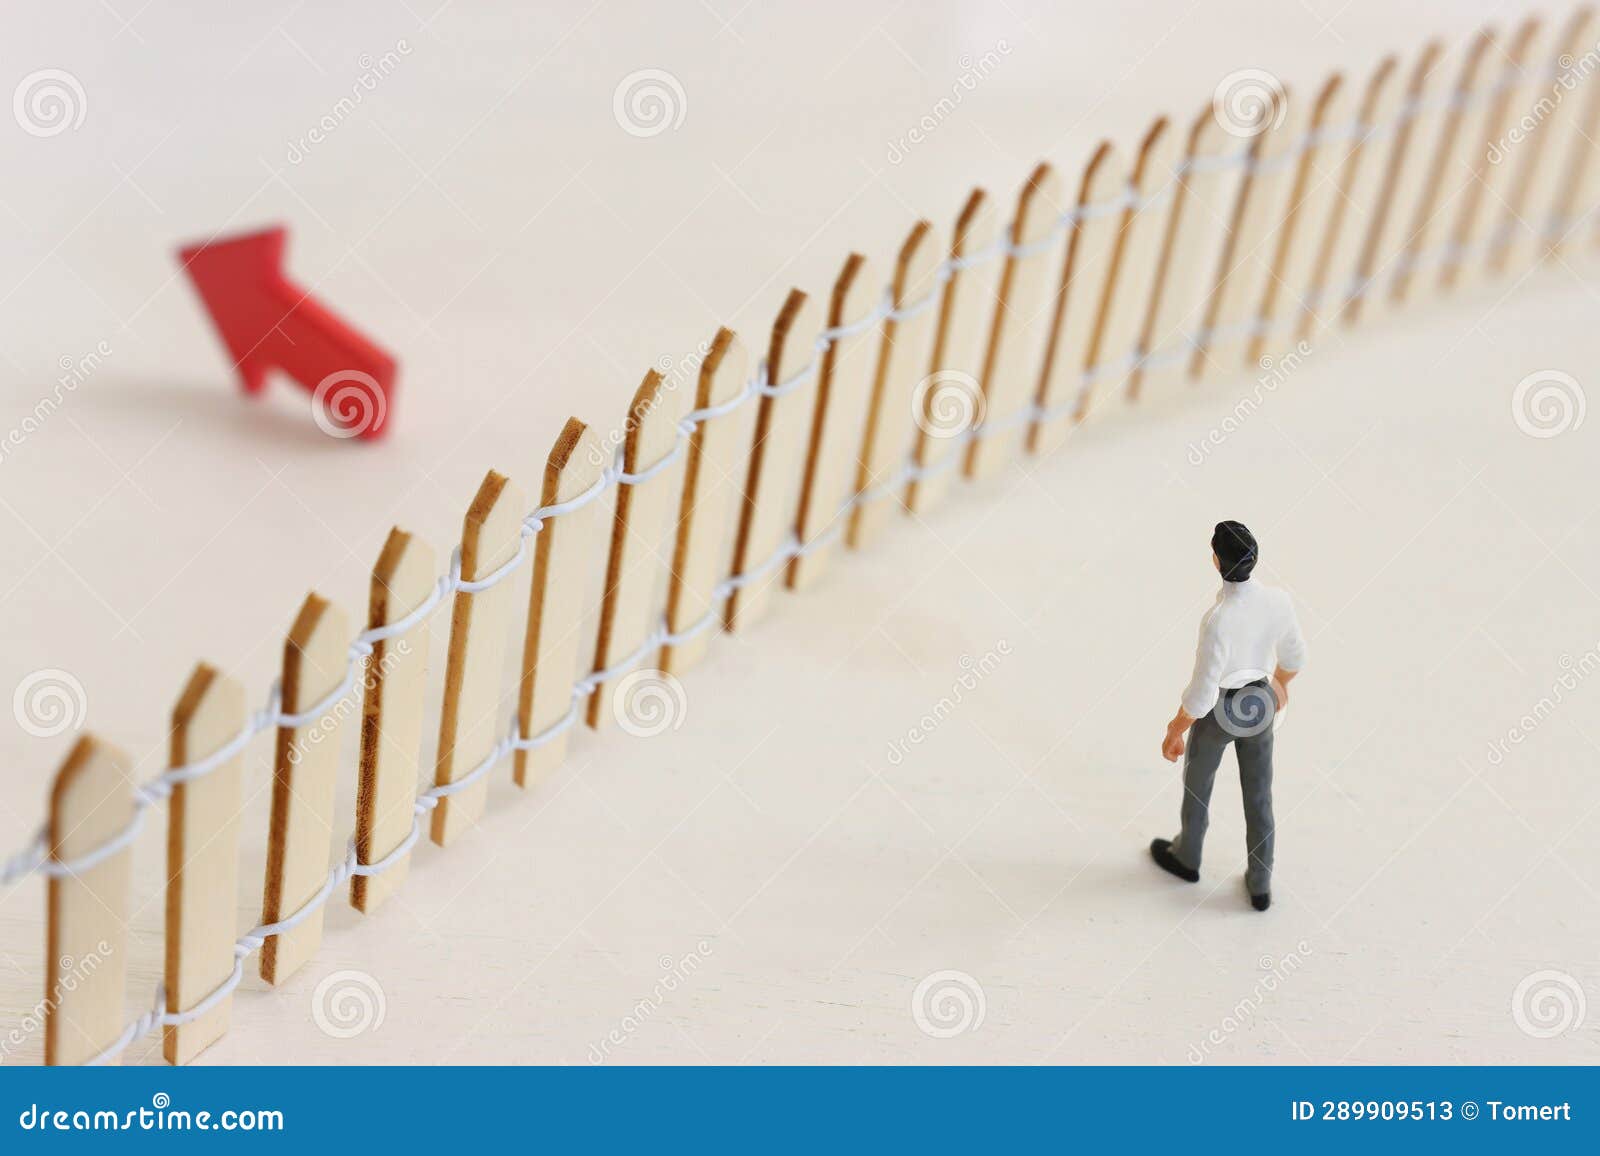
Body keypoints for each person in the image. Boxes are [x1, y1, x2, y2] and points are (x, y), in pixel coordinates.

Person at [1150, 521, 1306, 911]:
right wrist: (1280, 686)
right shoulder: (1279, 601)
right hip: (1261, 705)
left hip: (1222, 709)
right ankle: (1260, 879)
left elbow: (1203, 691)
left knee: (1199, 783)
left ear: (1217, 561)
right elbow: (1294, 655)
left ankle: (1188, 856)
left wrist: (1176, 728)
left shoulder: (1218, 619)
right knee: (1259, 794)